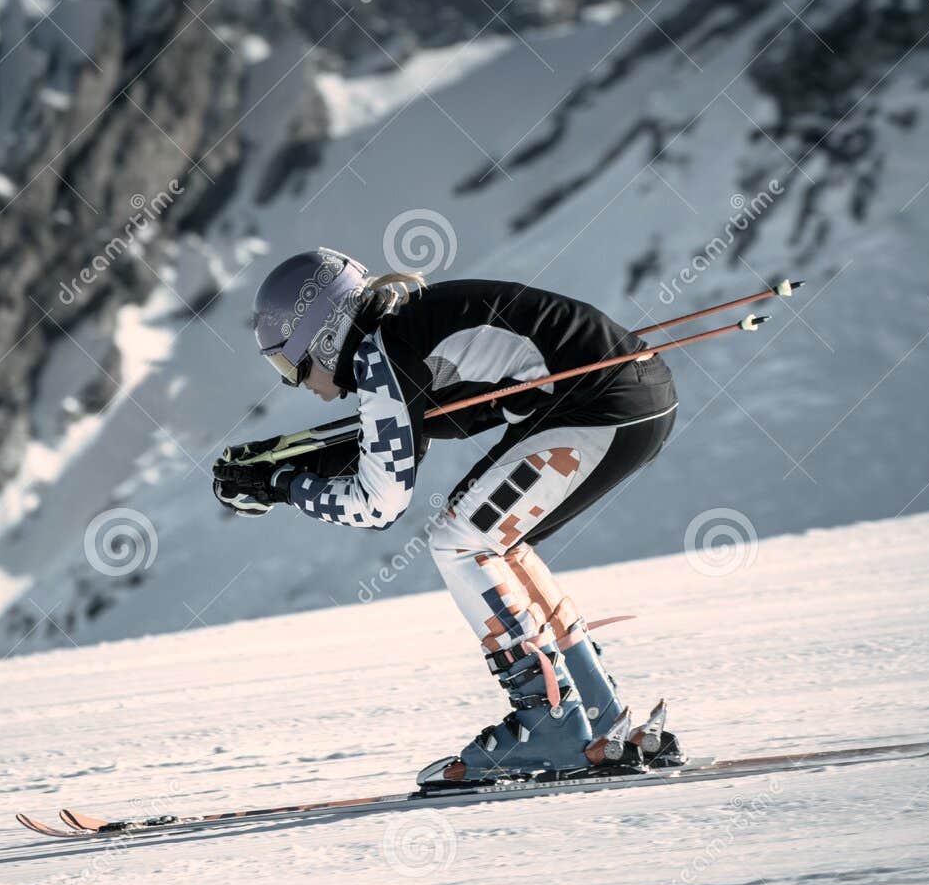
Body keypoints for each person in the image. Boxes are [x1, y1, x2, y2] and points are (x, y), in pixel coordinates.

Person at [213, 247, 682, 785]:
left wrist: (285, 485)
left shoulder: (381, 353)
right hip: (632, 398)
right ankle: (601, 717)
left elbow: (379, 503)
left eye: (287, 365)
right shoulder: (405, 327)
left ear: (319, 335)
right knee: (495, 543)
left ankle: (548, 720)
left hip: (600, 409)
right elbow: (401, 436)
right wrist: (284, 468)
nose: (296, 383)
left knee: (462, 541)